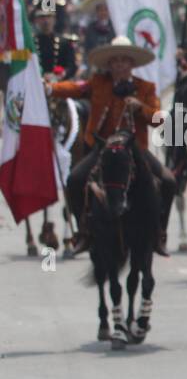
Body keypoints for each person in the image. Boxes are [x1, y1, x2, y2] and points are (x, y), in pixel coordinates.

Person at [50, 36, 175, 256]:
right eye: (114, 61)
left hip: (135, 148)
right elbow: (74, 88)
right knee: (74, 180)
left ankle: (159, 234)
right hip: (102, 147)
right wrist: (50, 89)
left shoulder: (145, 88)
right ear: (109, 64)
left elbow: (158, 119)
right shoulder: (98, 83)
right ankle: (84, 232)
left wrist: (140, 108)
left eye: (124, 60)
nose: (119, 65)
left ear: (132, 64)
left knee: (168, 181)